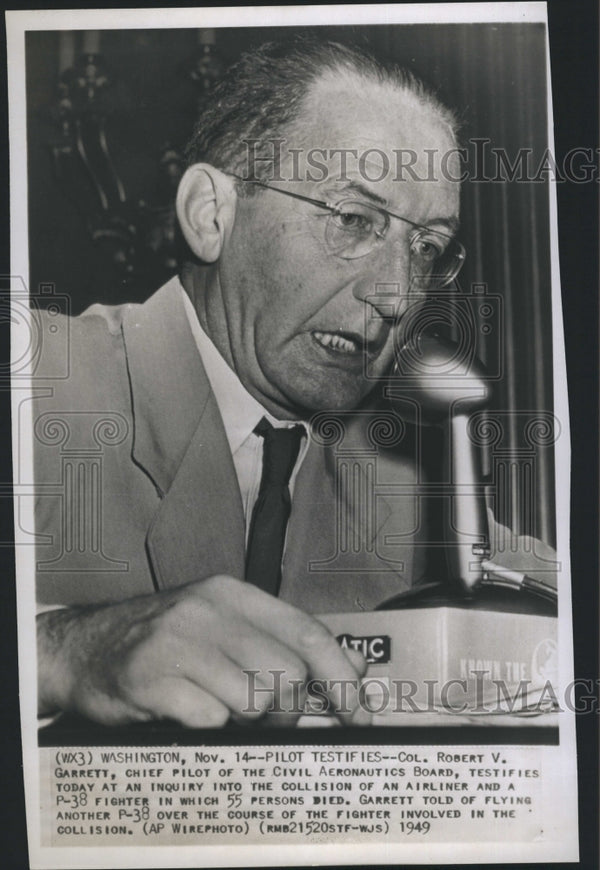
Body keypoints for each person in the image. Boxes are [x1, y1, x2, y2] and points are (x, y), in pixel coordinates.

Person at [34, 37, 466, 728]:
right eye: (354, 220)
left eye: (426, 249)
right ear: (211, 213)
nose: (396, 294)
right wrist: (62, 652)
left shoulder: (409, 496)